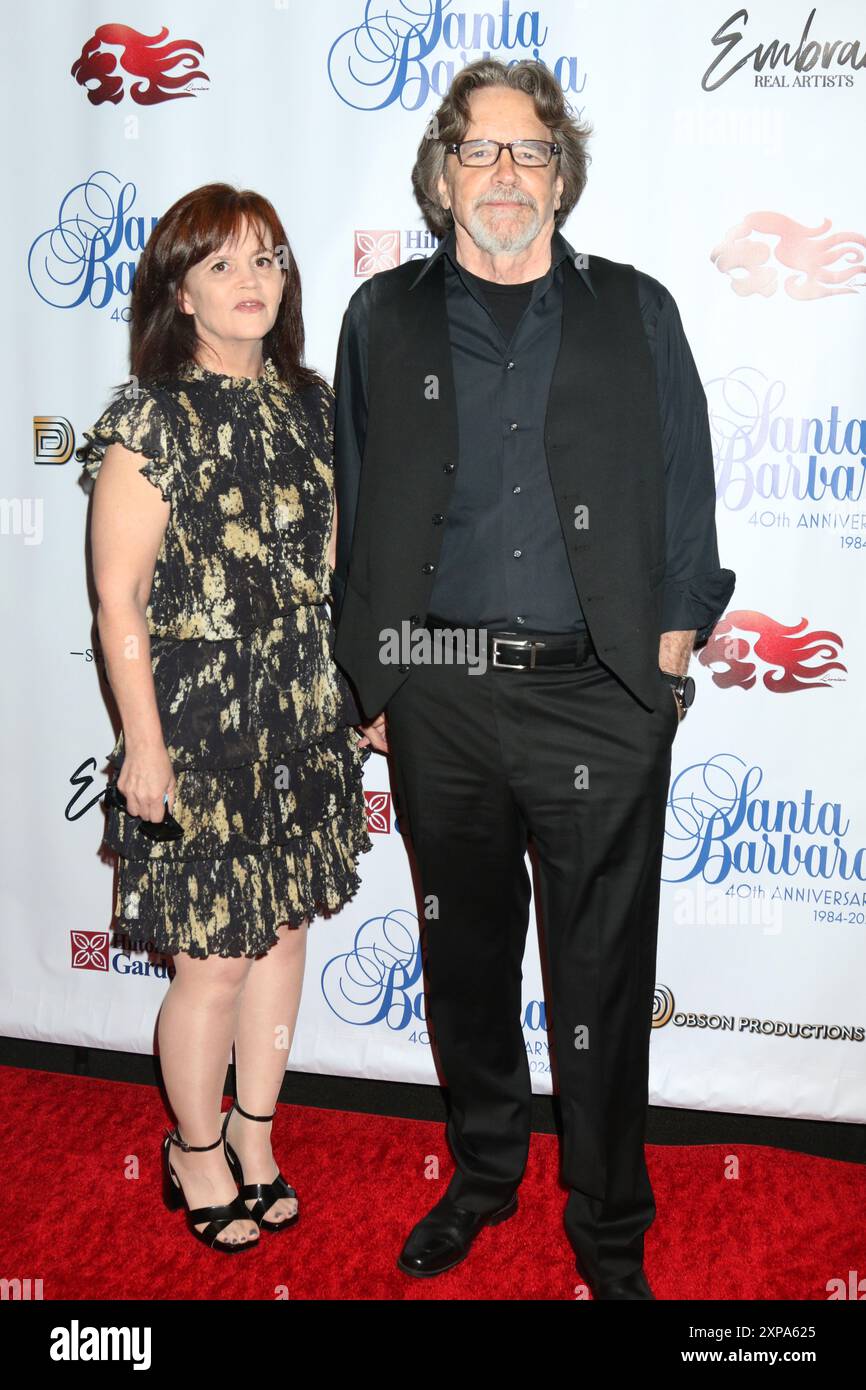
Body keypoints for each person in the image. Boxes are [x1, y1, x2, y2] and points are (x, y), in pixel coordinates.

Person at [331, 59, 735, 1298]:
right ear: (442, 172)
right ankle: (485, 1173)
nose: (503, 174)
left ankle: (608, 1224)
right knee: (463, 962)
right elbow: (360, 494)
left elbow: (682, 483)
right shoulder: (382, 316)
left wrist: (665, 660)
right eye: (479, 150)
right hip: (440, 691)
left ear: (560, 173)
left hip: (597, 696)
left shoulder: (635, 308)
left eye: (527, 151)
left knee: (602, 979)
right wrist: (377, 679)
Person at [77, 183, 372, 1253]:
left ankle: (256, 1131)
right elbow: (118, 597)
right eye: (223, 266)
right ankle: (191, 1148)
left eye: (268, 261)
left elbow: (337, 567)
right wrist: (143, 741)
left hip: (299, 711)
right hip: (199, 725)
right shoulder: (151, 416)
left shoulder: (309, 402)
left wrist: (360, 691)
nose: (252, 284)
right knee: (212, 959)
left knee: (284, 935)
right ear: (182, 293)